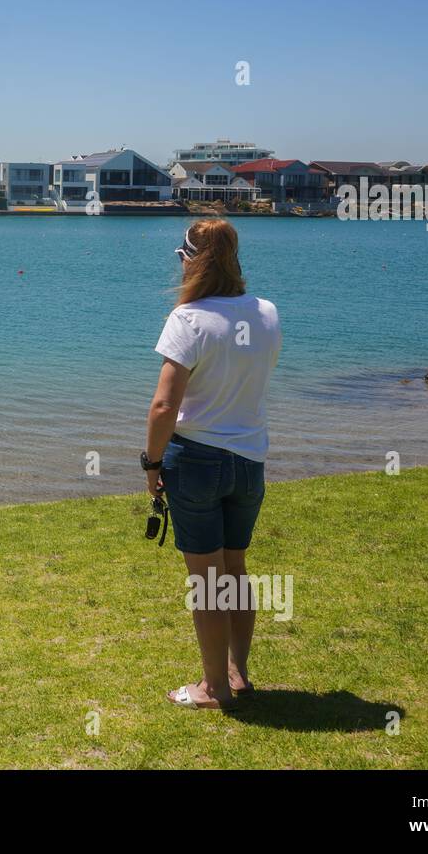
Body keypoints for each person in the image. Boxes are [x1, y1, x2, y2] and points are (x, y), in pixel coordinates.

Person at [142, 219, 281, 712]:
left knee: (206, 581)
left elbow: (164, 406)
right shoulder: (266, 312)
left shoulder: (188, 318)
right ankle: (237, 674)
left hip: (195, 461)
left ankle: (212, 689)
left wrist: (151, 464)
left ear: (188, 259)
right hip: (250, 461)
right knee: (235, 571)